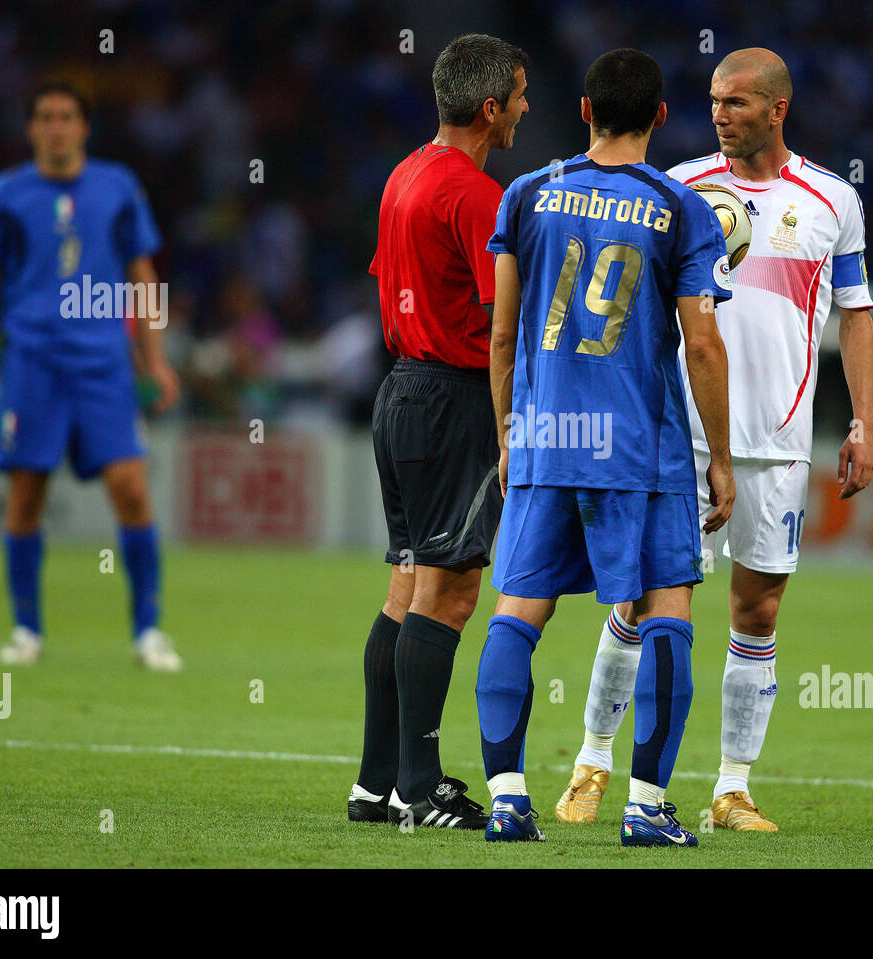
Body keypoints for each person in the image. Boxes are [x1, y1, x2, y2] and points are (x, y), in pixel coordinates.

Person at [555, 48, 873, 832]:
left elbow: (857, 309)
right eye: (712, 101)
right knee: (642, 600)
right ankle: (592, 763)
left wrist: (865, 418)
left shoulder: (833, 199)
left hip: (779, 437)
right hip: (680, 435)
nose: (720, 115)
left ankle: (732, 787)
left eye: (736, 103)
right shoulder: (681, 189)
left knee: (759, 610)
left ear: (777, 109)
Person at [477, 48, 734, 847]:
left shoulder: (526, 194)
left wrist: (509, 438)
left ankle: (508, 799)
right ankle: (647, 806)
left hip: (548, 436)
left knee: (518, 613)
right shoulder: (680, 208)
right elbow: (702, 343)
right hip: (640, 448)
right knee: (667, 614)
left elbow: (501, 335)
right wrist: (720, 457)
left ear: (584, 111)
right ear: (662, 116)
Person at [351, 34, 529, 830]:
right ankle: (421, 790)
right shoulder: (475, 194)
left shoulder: (404, 175)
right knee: (452, 592)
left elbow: (390, 286)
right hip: (455, 398)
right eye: (520, 96)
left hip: (401, 393)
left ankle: (376, 783)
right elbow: (503, 325)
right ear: (491, 108)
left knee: (406, 586)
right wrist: (511, 420)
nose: (528, 106)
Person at [0, 81, 182, 671]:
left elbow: (143, 275)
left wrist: (153, 360)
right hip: (31, 360)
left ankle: (148, 631)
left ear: (85, 127)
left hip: (104, 363)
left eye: (67, 116)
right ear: (31, 128)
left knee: (132, 489)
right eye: (46, 117)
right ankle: (26, 629)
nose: (56, 126)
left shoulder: (117, 187)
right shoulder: (6, 193)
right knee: (27, 493)